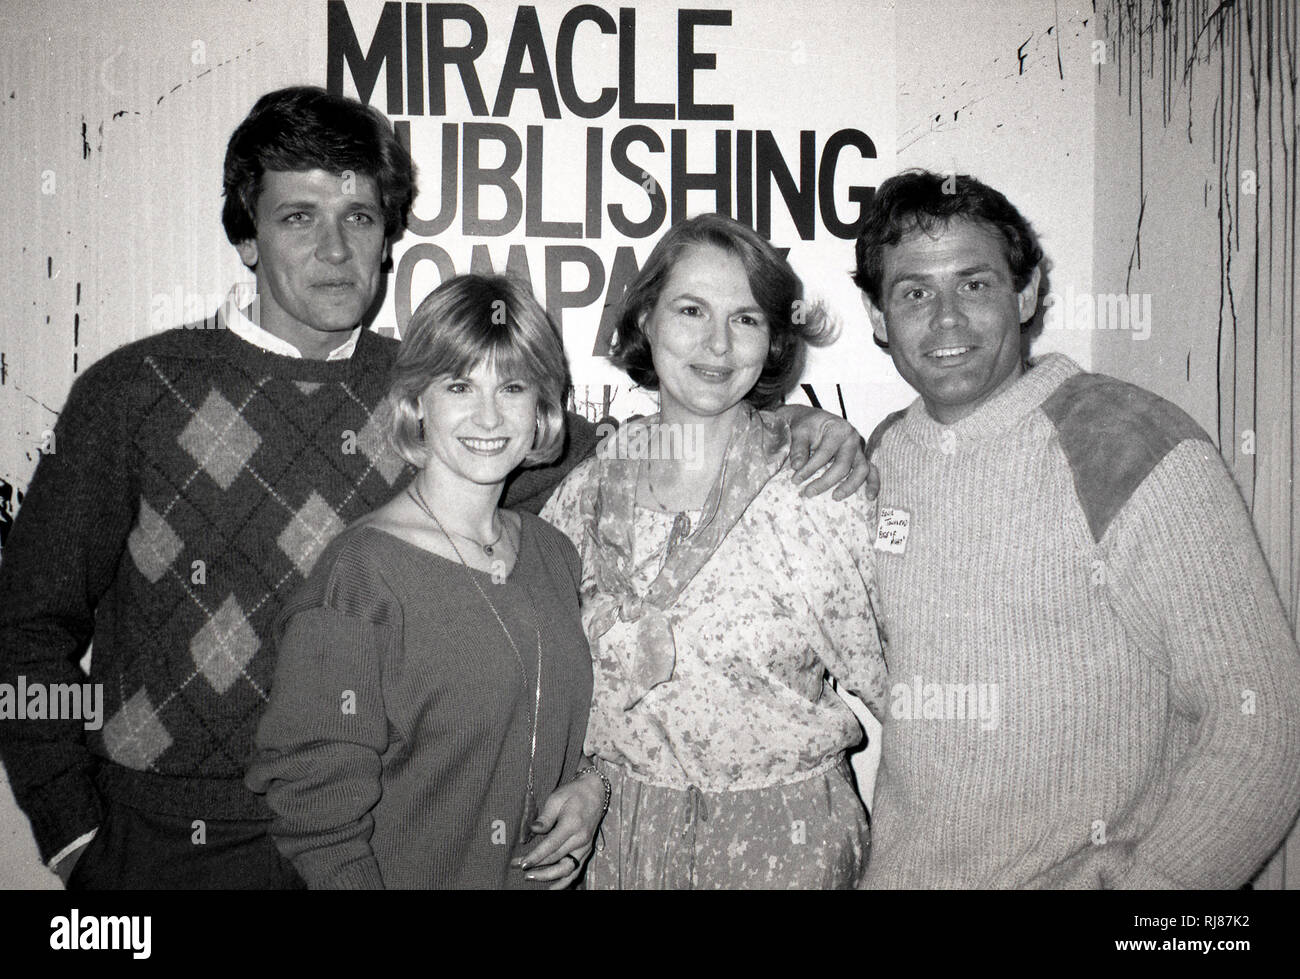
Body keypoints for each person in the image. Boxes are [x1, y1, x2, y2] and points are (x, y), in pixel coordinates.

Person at [0, 85, 871, 889]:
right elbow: (28, 625)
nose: (336, 248)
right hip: (173, 845)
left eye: (360, 216)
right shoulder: (136, 391)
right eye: (299, 216)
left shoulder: (438, 381)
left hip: (387, 839)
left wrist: (784, 426)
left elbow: (631, 454)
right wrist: (70, 828)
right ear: (243, 233)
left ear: (389, 235)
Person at [855, 168, 1300, 888]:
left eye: (974, 284)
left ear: (1024, 293)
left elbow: (1263, 720)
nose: (945, 319)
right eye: (914, 292)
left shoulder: (1132, 443)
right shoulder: (881, 457)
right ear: (879, 318)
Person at [542, 214, 888, 889]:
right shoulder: (583, 495)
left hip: (786, 850)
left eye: (747, 318)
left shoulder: (819, 494)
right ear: (645, 318)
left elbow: (907, 695)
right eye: (691, 309)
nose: (718, 345)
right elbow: (553, 690)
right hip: (619, 845)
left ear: (774, 339)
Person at [246, 274, 602, 888]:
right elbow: (314, 810)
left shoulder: (552, 552)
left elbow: (565, 721)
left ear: (542, 407)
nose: (489, 415)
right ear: (417, 401)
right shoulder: (361, 578)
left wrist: (590, 788)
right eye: (460, 385)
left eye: (512, 386)